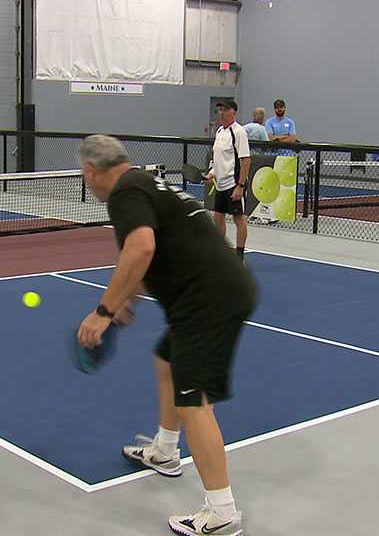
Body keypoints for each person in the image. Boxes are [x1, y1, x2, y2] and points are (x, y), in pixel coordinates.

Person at [76, 134, 256, 536]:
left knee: (194, 399)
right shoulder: (142, 182)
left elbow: (140, 249)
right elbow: (158, 252)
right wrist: (128, 300)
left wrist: (104, 311)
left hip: (208, 299)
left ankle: (222, 510)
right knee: (167, 362)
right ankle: (165, 450)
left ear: (91, 171)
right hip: (220, 288)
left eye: (85, 176)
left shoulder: (125, 194)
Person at [207, 99, 252, 259]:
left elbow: (245, 160)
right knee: (217, 217)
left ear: (233, 112)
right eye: (219, 110)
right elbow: (219, 158)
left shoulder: (239, 132)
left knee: (239, 219)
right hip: (220, 185)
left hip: (233, 184)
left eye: (224, 110)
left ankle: (239, 256)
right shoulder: (219, 132)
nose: (221, 113)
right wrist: (212, 173)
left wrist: (240, 185)